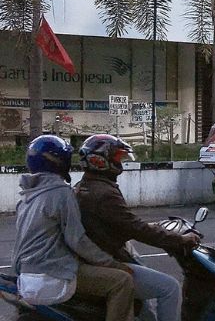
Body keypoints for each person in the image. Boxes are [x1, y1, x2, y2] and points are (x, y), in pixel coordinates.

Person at [75, 134, 199, 321]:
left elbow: (121, 223)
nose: (120, 163)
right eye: (116, 158)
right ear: (99, 161)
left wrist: (155, 228)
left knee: (146, 307)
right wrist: (178, 239)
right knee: (169, 288)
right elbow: (135, 228)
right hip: (108, 259)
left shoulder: (85, 187)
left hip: (99, 255)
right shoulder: (104, 193)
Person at [13, 135, 135, 321]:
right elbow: (77, 240)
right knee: (122, 281)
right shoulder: (61, 193)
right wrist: (112, 263)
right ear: (60, 161)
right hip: (53, 276)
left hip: (26, 278)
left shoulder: (27, 197)